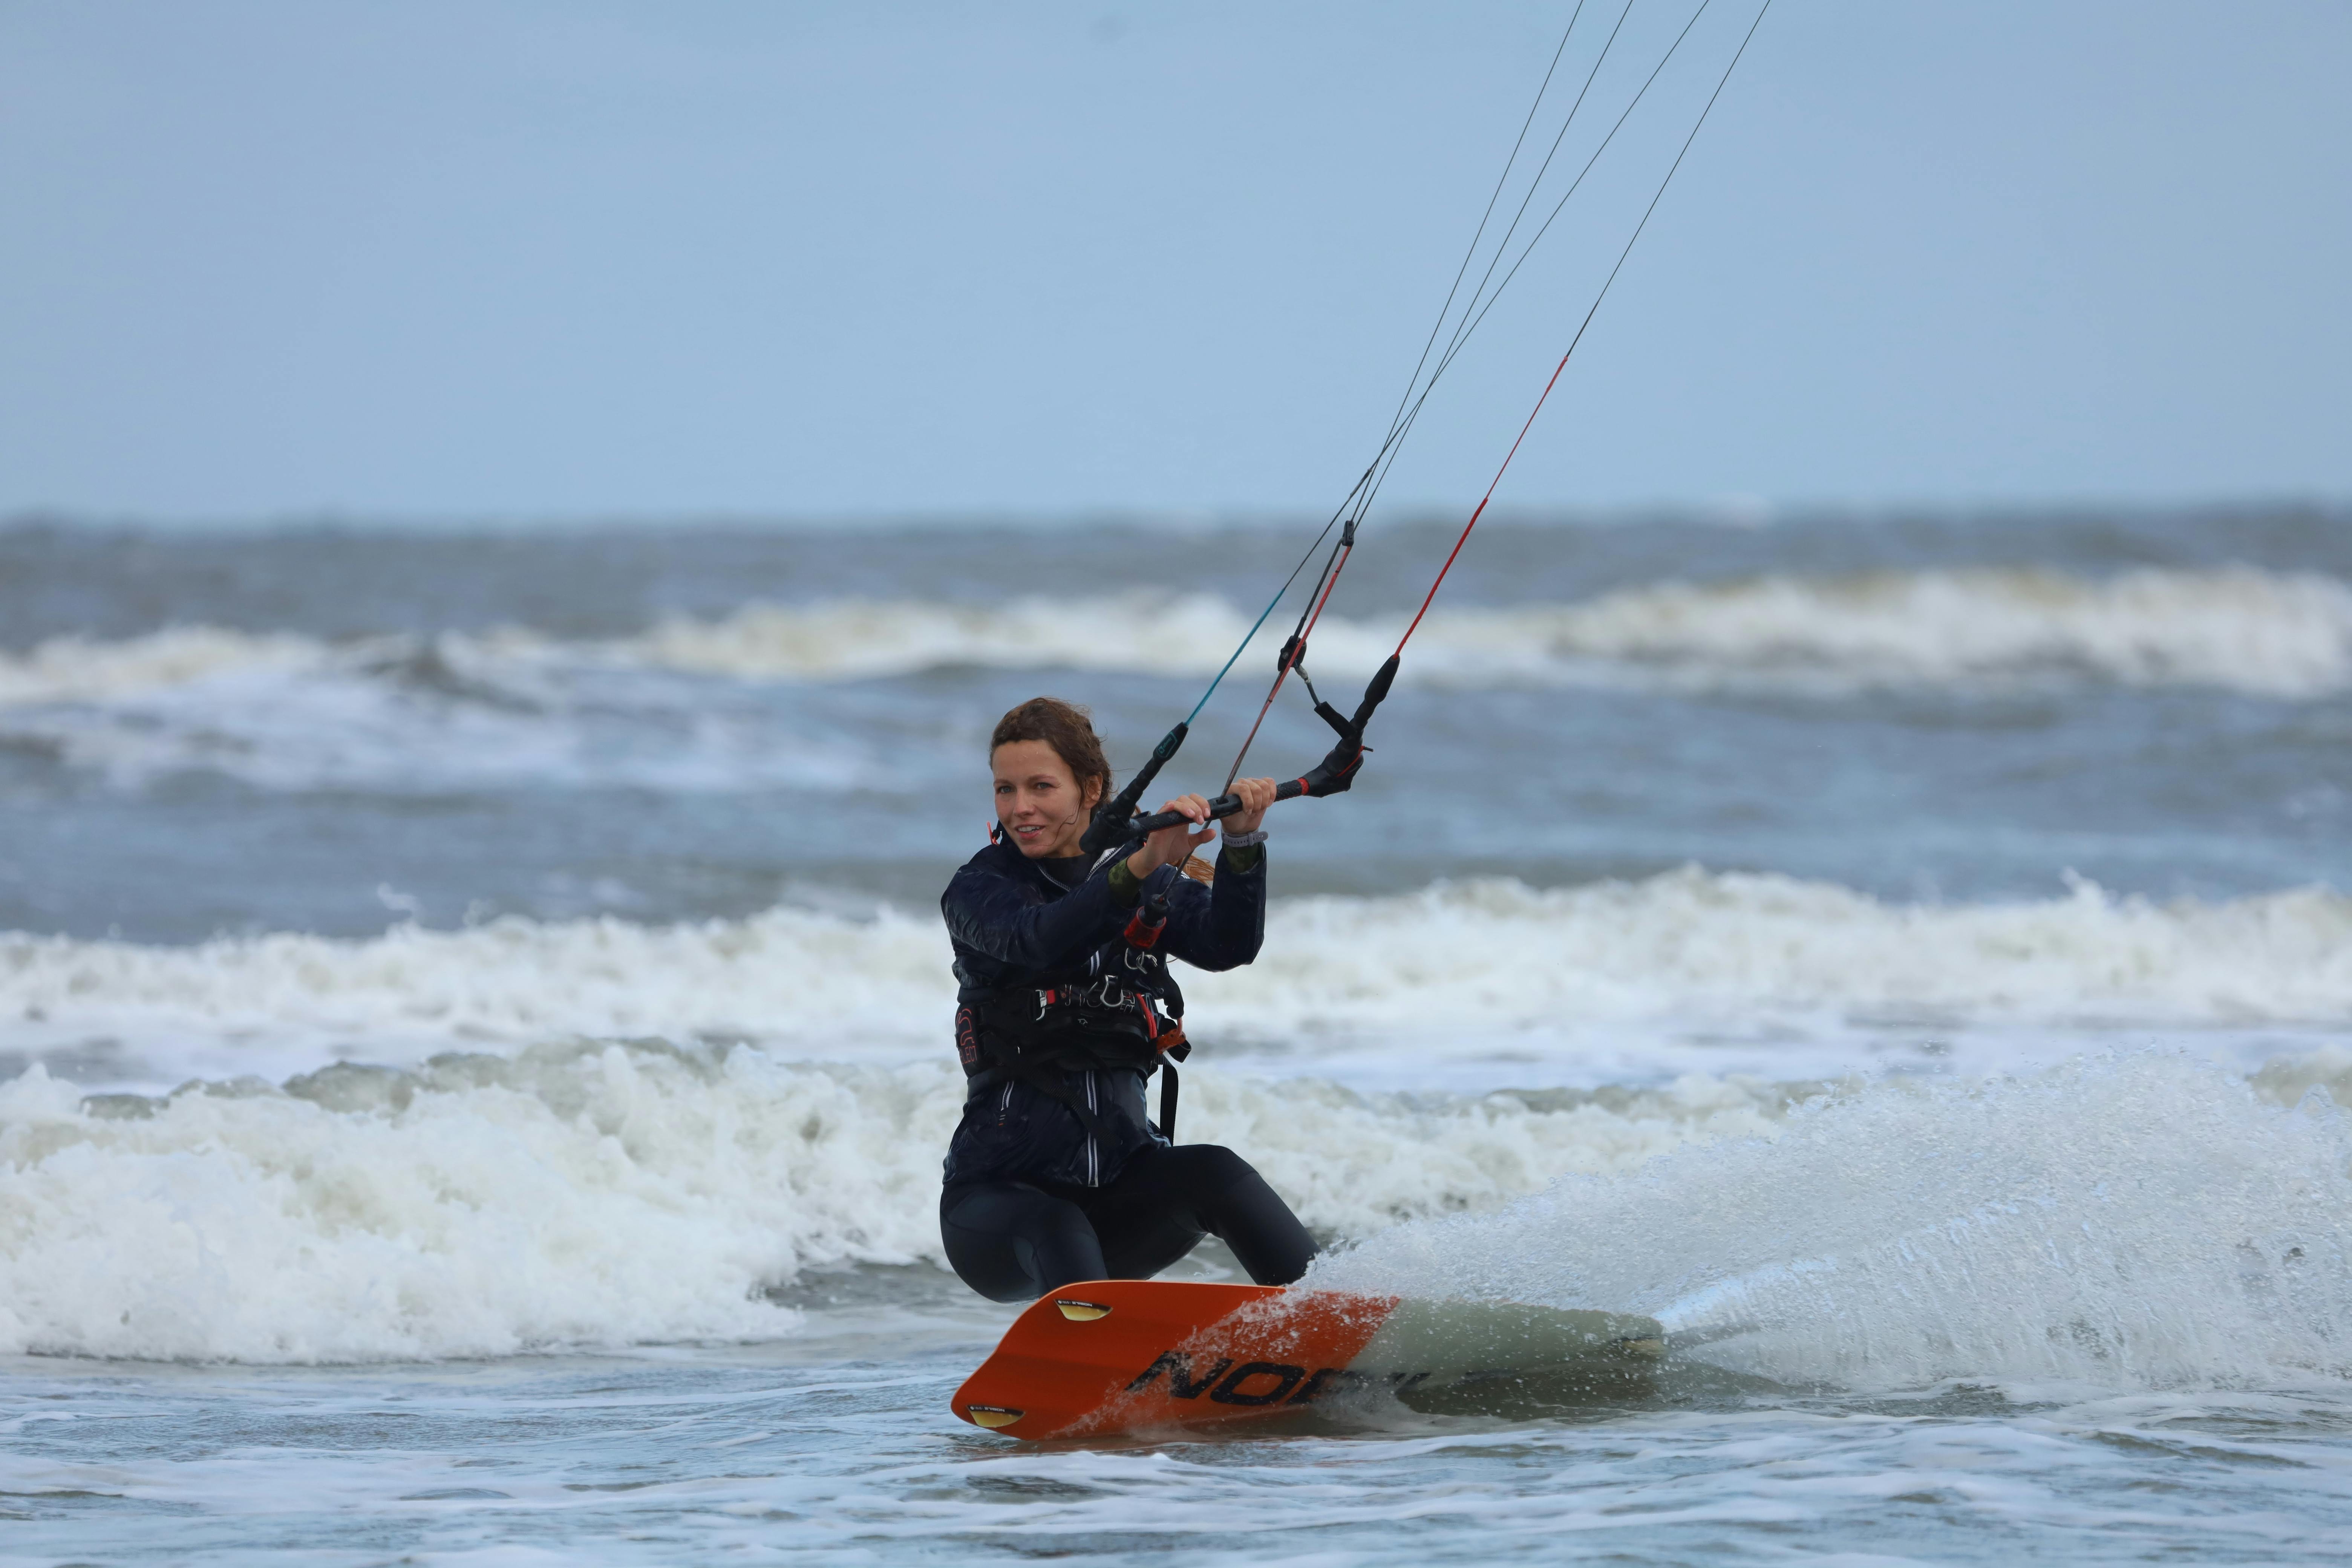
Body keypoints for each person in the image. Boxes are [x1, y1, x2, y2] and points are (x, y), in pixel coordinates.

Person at [937, 696, 1319, 1302]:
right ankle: (1089, 1371)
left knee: (1214, 1172)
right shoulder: (979, 890)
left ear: (1090, 789)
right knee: (1056, 1223)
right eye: (1005, 789)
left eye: (1040, 787)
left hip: (1121, 1196)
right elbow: (1041, 940)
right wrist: (1140, 866)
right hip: (1001, 1213)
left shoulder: (1149, 879)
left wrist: (1241, 846)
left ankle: (1345, 1325)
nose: (1020, 808)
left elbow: (1227, 946)